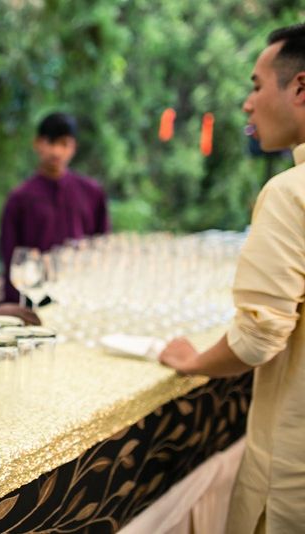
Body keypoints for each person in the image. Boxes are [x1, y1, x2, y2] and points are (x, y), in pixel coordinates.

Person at [159, 23, 305, 533]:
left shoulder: (290, 193)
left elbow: (259, 337)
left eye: (257, 85)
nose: (247, 104)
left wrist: (195, 360)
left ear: (300, 88)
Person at [0, 112, 110, 302]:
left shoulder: (92, 193)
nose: (56, 151)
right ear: (37, 144)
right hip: (35, 296)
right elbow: (11, 258)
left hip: (80, 294)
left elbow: (102, 247)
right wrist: (15, 306)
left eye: (64, 144)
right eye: (50, 142)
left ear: (73, 147)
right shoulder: (20, 198)